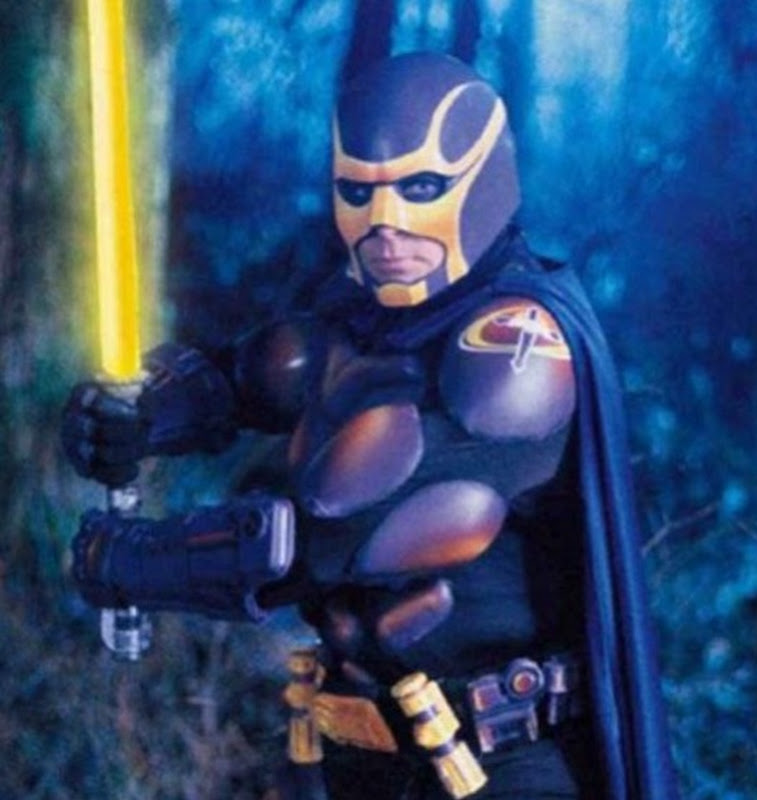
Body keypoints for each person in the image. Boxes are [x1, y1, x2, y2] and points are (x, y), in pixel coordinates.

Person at [62, 53, 677, 800]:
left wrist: (143, 559)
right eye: (360, 191)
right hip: (363, 756)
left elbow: (346, 532)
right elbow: (242, 377)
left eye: (420, 188)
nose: (386, 224)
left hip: (504, 764)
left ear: (484, 178)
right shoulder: (356, 315)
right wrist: (138, 415)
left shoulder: (517, 352)